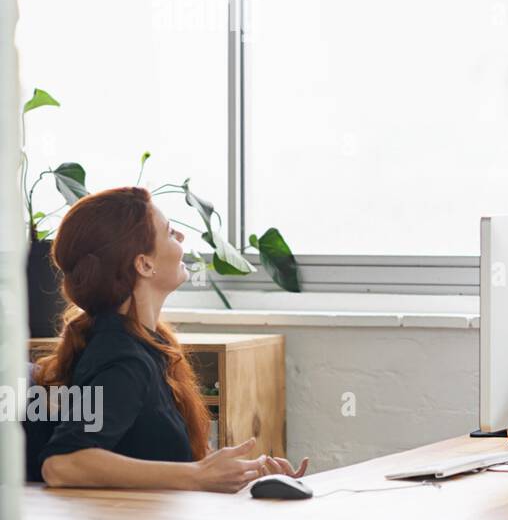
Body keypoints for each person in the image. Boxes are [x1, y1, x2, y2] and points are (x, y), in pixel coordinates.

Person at [24, 185, 307, 491]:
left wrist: (247, 476)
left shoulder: (144, 343)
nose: (182, 239)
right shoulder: (122, 358)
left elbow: (156, 459)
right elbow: (62, 464)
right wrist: (198, 475)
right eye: (171, 232)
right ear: (144, 264)